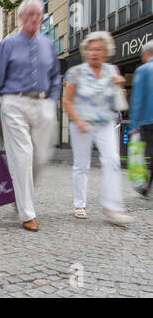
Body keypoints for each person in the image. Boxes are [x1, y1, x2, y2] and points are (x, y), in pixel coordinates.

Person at [0, 0, 61, 232]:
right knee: (23, 155)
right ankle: (28, 213)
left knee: (40, 157)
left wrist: (52, 98)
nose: (34, 19)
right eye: (29, 14)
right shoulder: (8, 44)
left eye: (38, 14)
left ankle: (20, 194)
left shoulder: (48, 43)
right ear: (20, 17)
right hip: (14, 102)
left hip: (42, 103)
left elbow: (56, 75)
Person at [63, 31, 134, 225]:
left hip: (105, 122)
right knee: (81, 165)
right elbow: (67, 101)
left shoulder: (112, 70)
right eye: (91, 49)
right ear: (86, 51)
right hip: (82, 124)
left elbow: (118, 100)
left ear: (105, 51)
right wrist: (78, 120)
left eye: (98, 49)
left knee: (112, 161)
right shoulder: (76, 72)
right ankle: (80, 204)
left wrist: (120, 86)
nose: (94, 53)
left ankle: (113, 207)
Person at [129, 40, 153, 197]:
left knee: (149, 153)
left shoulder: (143, 70)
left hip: (148, 121)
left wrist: (133, 126)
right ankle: (146, 188)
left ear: (146, 53)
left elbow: (137, 100)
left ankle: (145, 187)